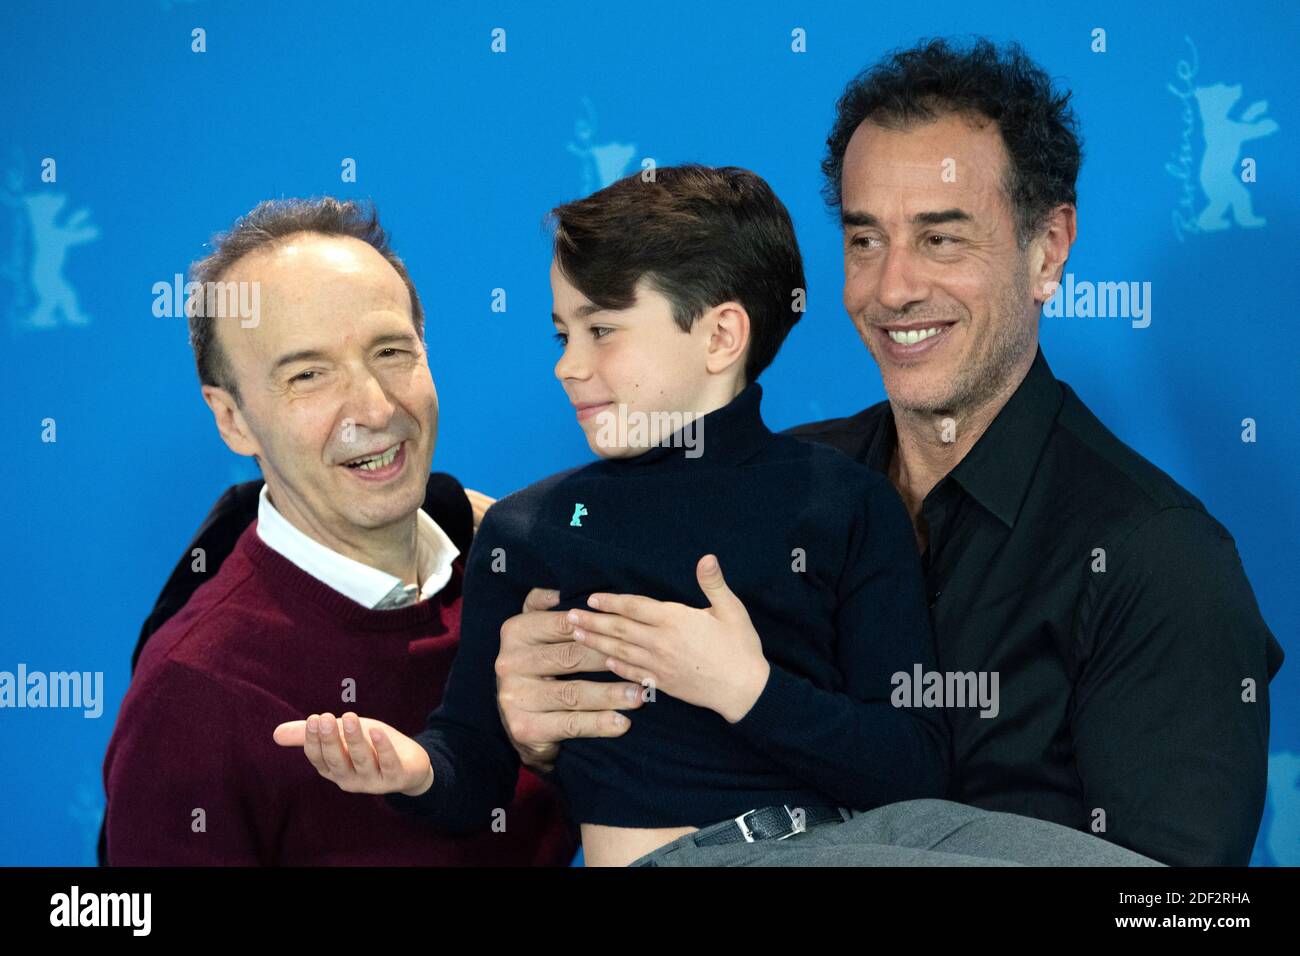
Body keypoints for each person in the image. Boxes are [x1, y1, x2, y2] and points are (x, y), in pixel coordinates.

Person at [488, 38, 1284, 867]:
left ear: (1047, 250)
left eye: (941, 240)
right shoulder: (761, 489)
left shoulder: (1161, 563)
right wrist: (537, 728)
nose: (893, 287)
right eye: (866, 241)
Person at [273, 164, 1160, 868]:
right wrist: (412, 770)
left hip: (871, 838)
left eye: (602, 330)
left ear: (722, 336)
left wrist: (745, 689)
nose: (568, 367)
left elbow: (913, 761)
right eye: (561, 335)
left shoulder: (847, 502)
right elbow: (470, 766)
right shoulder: (533, 532)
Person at [101, 198, 575, 865]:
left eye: (390, 351)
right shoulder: (194, 695)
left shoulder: (518, 574)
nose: (374, 409)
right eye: (308, 375)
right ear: (232, 418)